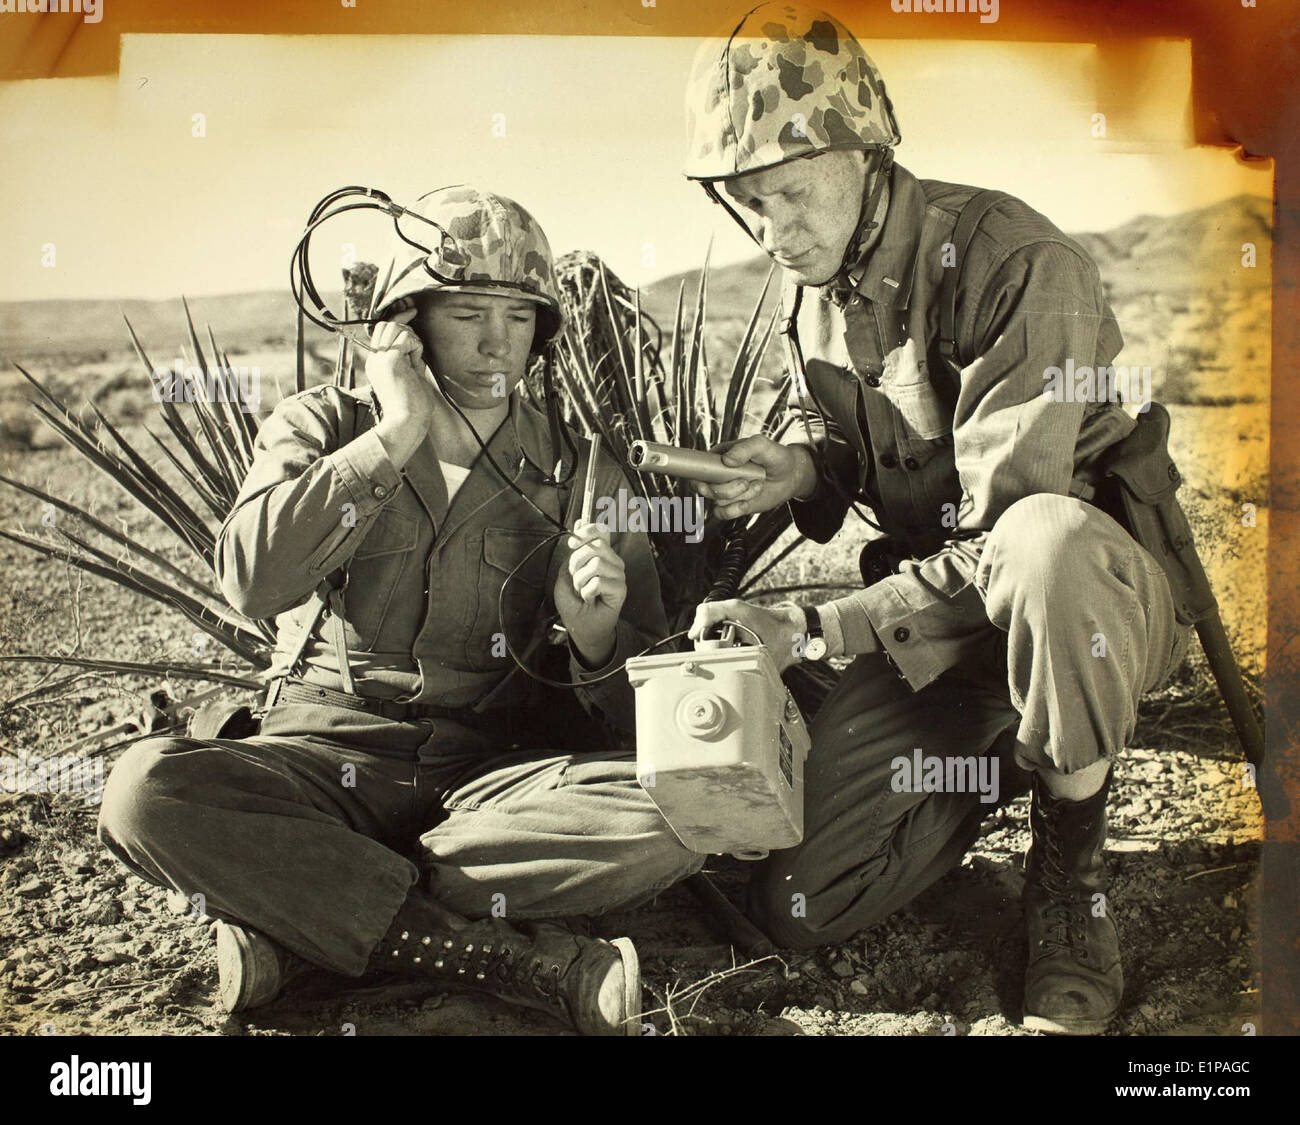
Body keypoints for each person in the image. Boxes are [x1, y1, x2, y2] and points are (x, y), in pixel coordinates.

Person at [682, 4, 1189, 1034]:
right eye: (749, 204)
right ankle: (1002, 758)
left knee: (1046, 547)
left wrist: (816, 628)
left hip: (1082, 611)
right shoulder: (810, 288)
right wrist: (789, 467)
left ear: (867, 150)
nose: (773, 233)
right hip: (944, 631)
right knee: (799, 905)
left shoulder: (1011, 260)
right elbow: (837, 435)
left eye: (789, 193)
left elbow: (1008, 541)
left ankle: (1070, 865)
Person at [97, 185, 705, 1036]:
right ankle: (498, 954)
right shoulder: (323, 424)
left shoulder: (584, 469)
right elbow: (250, 580)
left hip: (491, 783)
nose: (498, 343)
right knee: (142, 792)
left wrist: (597, 637)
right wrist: (396, 430)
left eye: (520, 316)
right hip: (321, 756)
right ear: (406, 323)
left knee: (676, 812)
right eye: (467, 312)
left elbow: (645, 708)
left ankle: (311, 916)